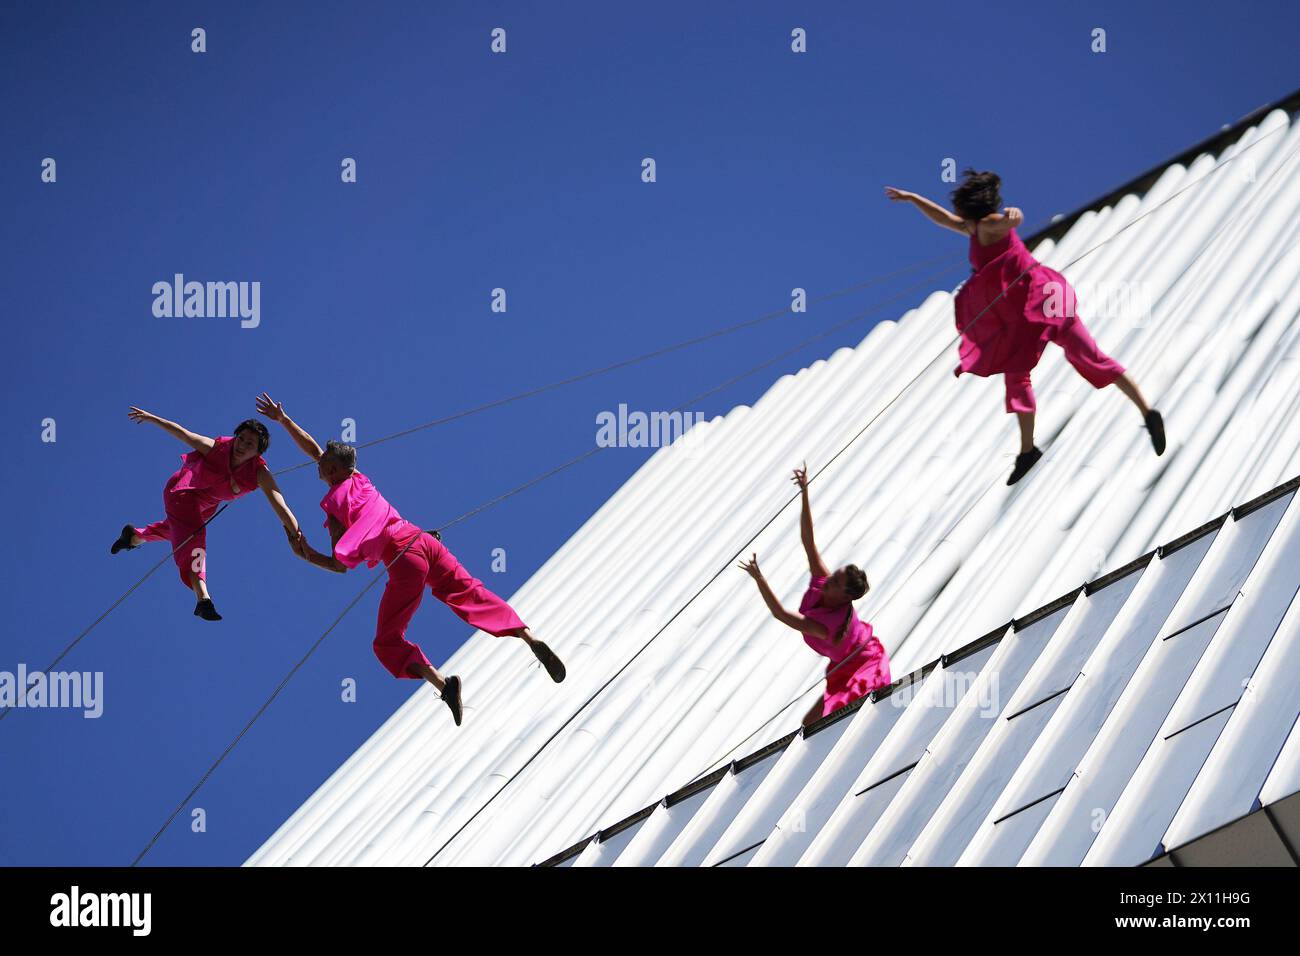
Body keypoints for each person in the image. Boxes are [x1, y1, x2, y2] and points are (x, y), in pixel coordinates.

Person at [254, 393, 564, 726]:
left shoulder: (335, 505)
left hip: (404, 559)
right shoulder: (360, 478)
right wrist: (284, 421)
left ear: (333, 468)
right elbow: (314, 449)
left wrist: (307, 555)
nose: (317, 463)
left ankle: (444, 684)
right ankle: (528, 636)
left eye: (323, 462)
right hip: (425, 542)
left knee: (386, 641)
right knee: (470, 592)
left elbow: (340, 563)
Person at [886, 170, 1165, 484]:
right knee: (1084, 356)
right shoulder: (973, 226)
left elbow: (1009, 221)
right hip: (1039, 301)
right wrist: (912, 199)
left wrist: (1013, 217)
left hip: (1032, 305)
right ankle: (1145, 410)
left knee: (1021, 375)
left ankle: (1029, 449)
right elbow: (942, 218)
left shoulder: (988, 223)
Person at [110, 407, 303, 620]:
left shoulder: (259, 474)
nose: (241, 446)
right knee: (194, 538)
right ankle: (203, 598)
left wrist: (297, 536)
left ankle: (134, 536)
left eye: (250, 444)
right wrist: (152, 418)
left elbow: (281, 507)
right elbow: (183, 433)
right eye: (241, 439)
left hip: (205, 507)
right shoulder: (216, 448)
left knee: (177, 531)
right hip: (182, 492)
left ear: (258, 452)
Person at [739, 462, 891, 727]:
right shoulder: (825, 582)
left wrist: (760, 579)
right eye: (833, 576)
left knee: (830, 718)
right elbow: (809, 542)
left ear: (844, 598)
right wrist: (805, 493)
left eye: (834, 582)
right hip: (844, 664)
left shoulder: (826, 627)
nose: (827, 580)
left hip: (865, 662)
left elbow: (780, 614)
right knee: (809, 722)